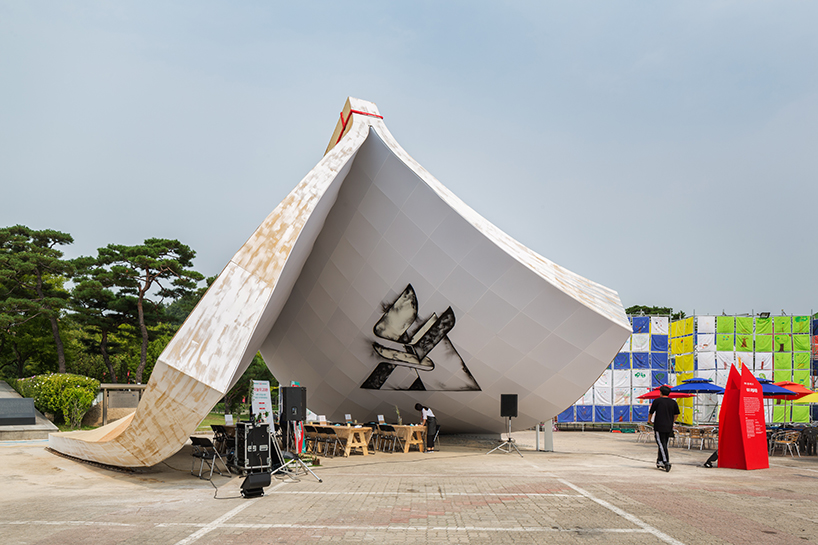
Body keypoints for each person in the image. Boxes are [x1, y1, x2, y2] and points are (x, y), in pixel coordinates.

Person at [648, 385, 679, 472]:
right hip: (669, 426)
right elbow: (676, 414)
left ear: (660, 393)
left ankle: (666, 462)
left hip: (659, 426)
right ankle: (659, 460)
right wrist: (672, 421)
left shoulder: (657, 401)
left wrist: (649, 420)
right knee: (664, 443)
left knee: (661, 444)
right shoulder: (673, 402)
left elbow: (651, 412)